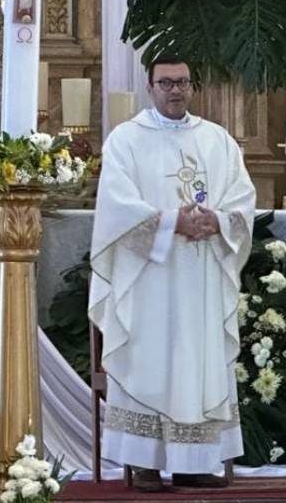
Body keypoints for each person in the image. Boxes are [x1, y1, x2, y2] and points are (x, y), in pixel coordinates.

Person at [88, 55, 256, 492]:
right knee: (150, 361)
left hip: (201, 273)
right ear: (151, 86)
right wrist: (172, 222)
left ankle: (193, 462)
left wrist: (216, 220)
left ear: (192, 86)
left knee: (195, 361)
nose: (176, 90)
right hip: (149, 277)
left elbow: (242, 198)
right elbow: (116, 207)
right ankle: (144, 462)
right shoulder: (126, 140)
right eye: (166, 82)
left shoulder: (217, 140)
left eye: (182, 82)